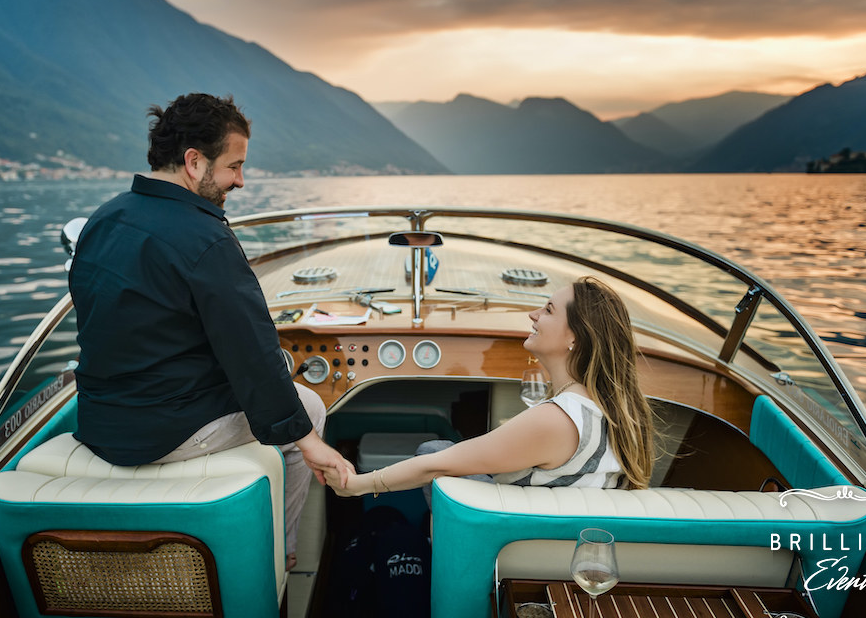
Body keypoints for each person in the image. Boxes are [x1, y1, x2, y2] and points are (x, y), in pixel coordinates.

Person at [68, 92, 353, 568]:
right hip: (161, 433)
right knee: (309, 407)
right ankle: (280, 557)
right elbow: (254, 355)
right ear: (194, 161)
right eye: (234, 167)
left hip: (100, 421)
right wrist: (309, 442)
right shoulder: (206, 238)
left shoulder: (105, 219)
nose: (240, 181)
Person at [324, 276, 654, 498]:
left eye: (548, 310)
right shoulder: (608, 407)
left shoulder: (556, 420)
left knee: (434, 452)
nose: (533, 314)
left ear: (575, 338)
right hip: (555, 533)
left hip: (516, 542)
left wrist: (356, 485)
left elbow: (437, 466)